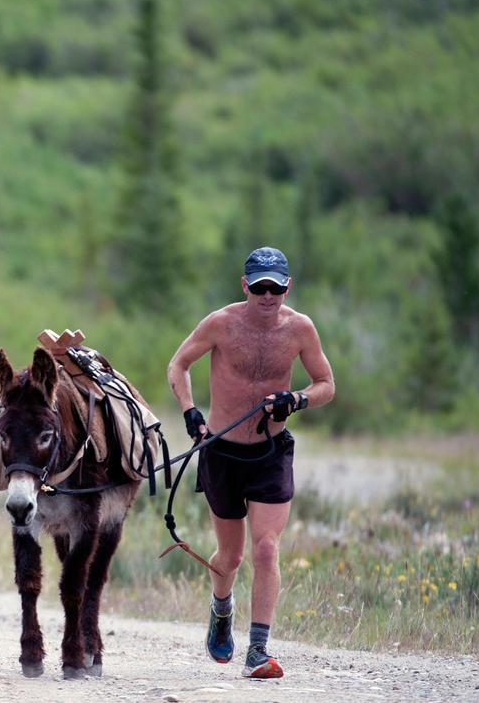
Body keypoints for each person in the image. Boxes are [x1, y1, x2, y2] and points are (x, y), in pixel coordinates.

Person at [166, 246, 334, 678]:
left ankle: (258, 649)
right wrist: (189, 410)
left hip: (270, 453)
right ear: (245, 286)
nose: (267, 296)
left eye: (275, 288)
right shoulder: (221, 323)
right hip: (221, 452)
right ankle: (222, 610)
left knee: (265, 548)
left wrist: (295, 400)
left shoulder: (300, 329)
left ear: (287, 286)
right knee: (230, 557)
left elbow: (326, 384)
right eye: (258, 287)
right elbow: (178, 364)